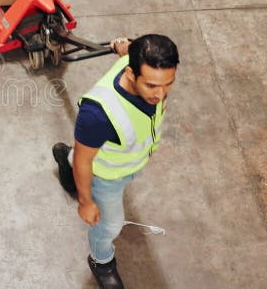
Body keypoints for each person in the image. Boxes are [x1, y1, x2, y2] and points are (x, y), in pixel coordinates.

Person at [52, 34, 179, 289]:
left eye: (168, 84)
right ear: (131, 74)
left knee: (84, 152)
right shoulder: (98, 114)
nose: (160, 93)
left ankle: (65, 160)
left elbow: (129, 49)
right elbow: (85, 161)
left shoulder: (137, 61)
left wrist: (122, 45)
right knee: (110, 225)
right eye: (152, 85)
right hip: (107, 177)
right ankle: (101, 260)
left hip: (125, 161)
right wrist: (86, 202)